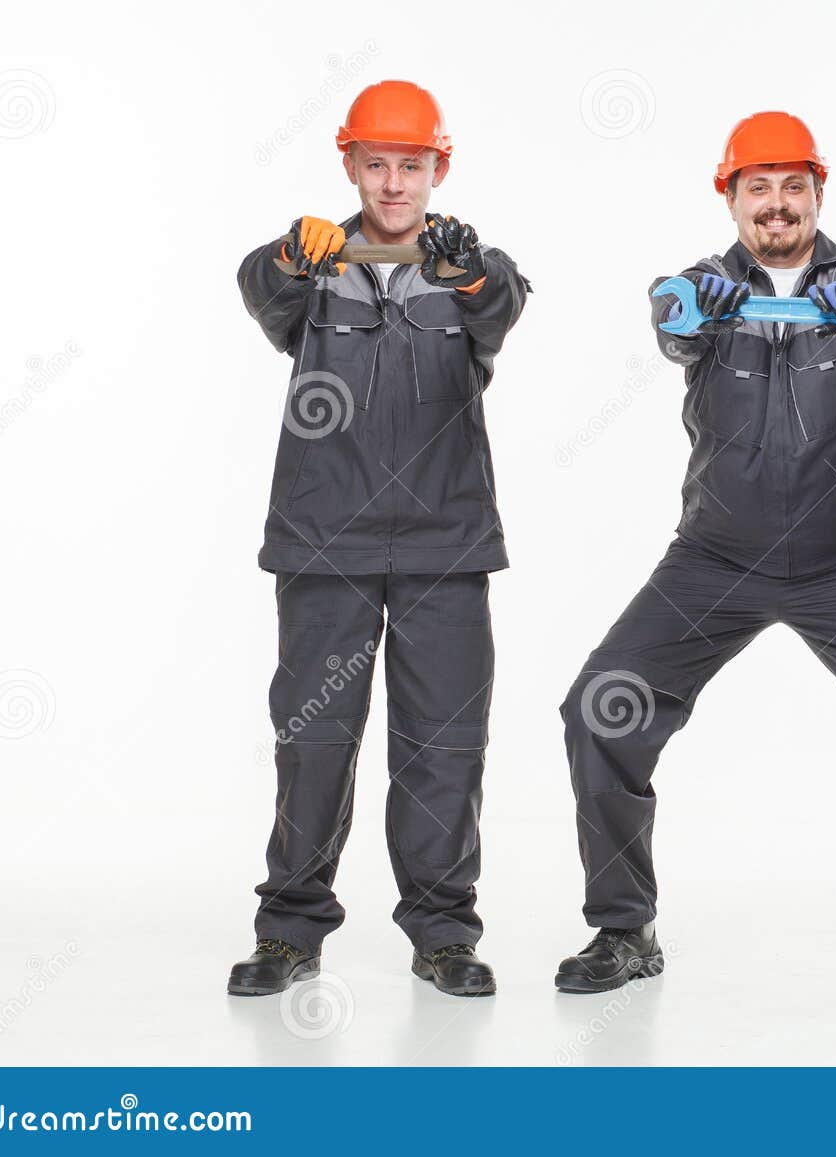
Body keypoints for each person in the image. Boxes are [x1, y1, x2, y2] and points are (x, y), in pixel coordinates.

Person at [556, 112, 836, 1002]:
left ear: (818, 194)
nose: (777, 203)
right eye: (758, 187)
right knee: (599, 711)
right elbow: (672, 326)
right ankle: (624, 928)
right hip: (715, 556)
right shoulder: (703, 284)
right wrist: (687, 306)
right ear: (731, 197)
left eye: (794, 186)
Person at [228, 80, 529, 998]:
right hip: (325, 540)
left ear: (439, 168)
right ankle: (289, 930)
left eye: (411, 164)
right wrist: (291, 253)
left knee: (444, 746)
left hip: (447, 542)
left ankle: (444, 934)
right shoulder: (312, 266)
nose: (394, 183)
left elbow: (501, 305)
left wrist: (466, 273)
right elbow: (258, 289)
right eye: (376, 164)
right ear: (350, 163)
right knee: (313, 740)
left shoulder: (473, 267)